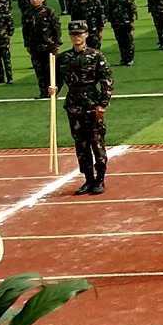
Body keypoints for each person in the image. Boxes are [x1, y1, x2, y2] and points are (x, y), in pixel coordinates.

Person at [52, 20, 113, 195]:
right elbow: (56, 82)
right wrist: (53, 89)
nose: (76, 37)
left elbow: (107, 82)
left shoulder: (96, 56)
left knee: (97, 142)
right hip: (73, 105)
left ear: (86, 34)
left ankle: (100, 179)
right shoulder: (63, 58)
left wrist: (103, 104)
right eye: (73, 34)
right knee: (81, 145)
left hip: (92, 104)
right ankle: (88, 179)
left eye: (79, 34)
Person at [22, 0, 61, 99]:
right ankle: (43, 92)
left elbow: (56, 28)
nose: (34, 0)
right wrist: (27, 45)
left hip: (49, 46)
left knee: (51, 70)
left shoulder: (49, 12)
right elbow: (25, 31)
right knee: (39, 71)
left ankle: (53, 92)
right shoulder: (27, 13)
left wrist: (57, 44)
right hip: (35, 47)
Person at [105, 0, 136, 67]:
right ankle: (123, 58)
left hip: (126, 22)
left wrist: (132, 22)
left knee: (129, 41)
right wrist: (110, 20)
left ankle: (130, 59)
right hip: (116, 23)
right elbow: (109, 10)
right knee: (120, 42)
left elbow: (132, 10)